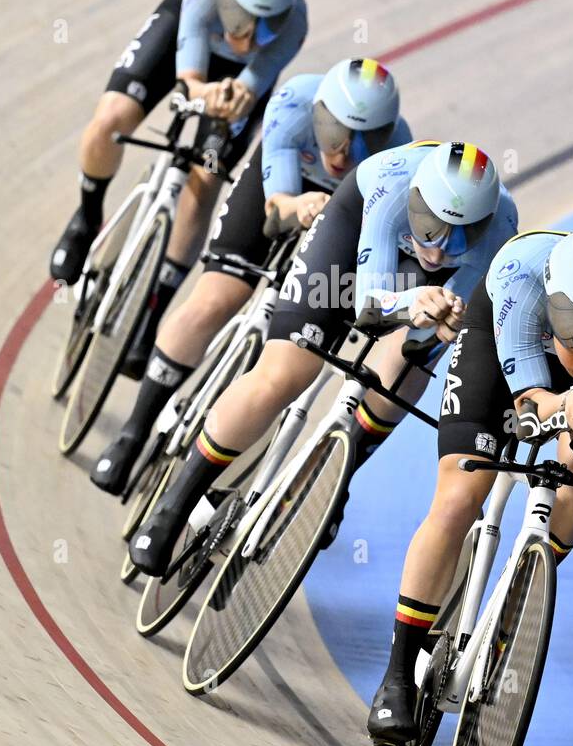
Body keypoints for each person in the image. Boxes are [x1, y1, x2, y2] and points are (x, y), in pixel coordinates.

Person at [129, 140, 520, 577]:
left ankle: (342, 468)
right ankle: (174, 504)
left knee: (407, 365)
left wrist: (441, 323)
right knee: (284, 373)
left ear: (484, 224)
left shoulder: (502, 227)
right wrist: (411, 302)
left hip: (426, 285)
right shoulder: (392, 184)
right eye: (431, 227)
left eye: (462, 235)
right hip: (352, 240)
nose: (439, 248)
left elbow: (447, 313)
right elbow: (370, 302)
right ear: (416, 199)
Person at [367, 227, 573, 746]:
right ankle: (396, 675)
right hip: (500, 350)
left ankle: (512, 603)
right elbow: (528, 413)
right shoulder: (520, 281)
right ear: (559, 310)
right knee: (460, 495)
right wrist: (567, 405)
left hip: (572, 396)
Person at [90, 58, 411, 494]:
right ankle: (133, 431)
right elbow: (275, 208)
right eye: (335, 136)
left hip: (345, 214)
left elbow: (374, 241)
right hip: (282, 189)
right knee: (215, 299)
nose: (341, 154)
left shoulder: (398, 154)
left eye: (362, 144)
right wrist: (294, 207)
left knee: (301, 347)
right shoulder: (294, 102)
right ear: (318, 115)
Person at [50, 0, 307, 374]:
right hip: (183, 47)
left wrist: (236, 99)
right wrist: (200, 92)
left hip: (234, 83)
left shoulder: (295, 22)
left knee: (206, 178)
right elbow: (187, 81)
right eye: (244, 23)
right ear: (228, 3)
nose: (248, 38)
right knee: (112, 119)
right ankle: (86, 216)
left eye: (265, 30)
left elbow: (253, 82)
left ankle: (153, 313)